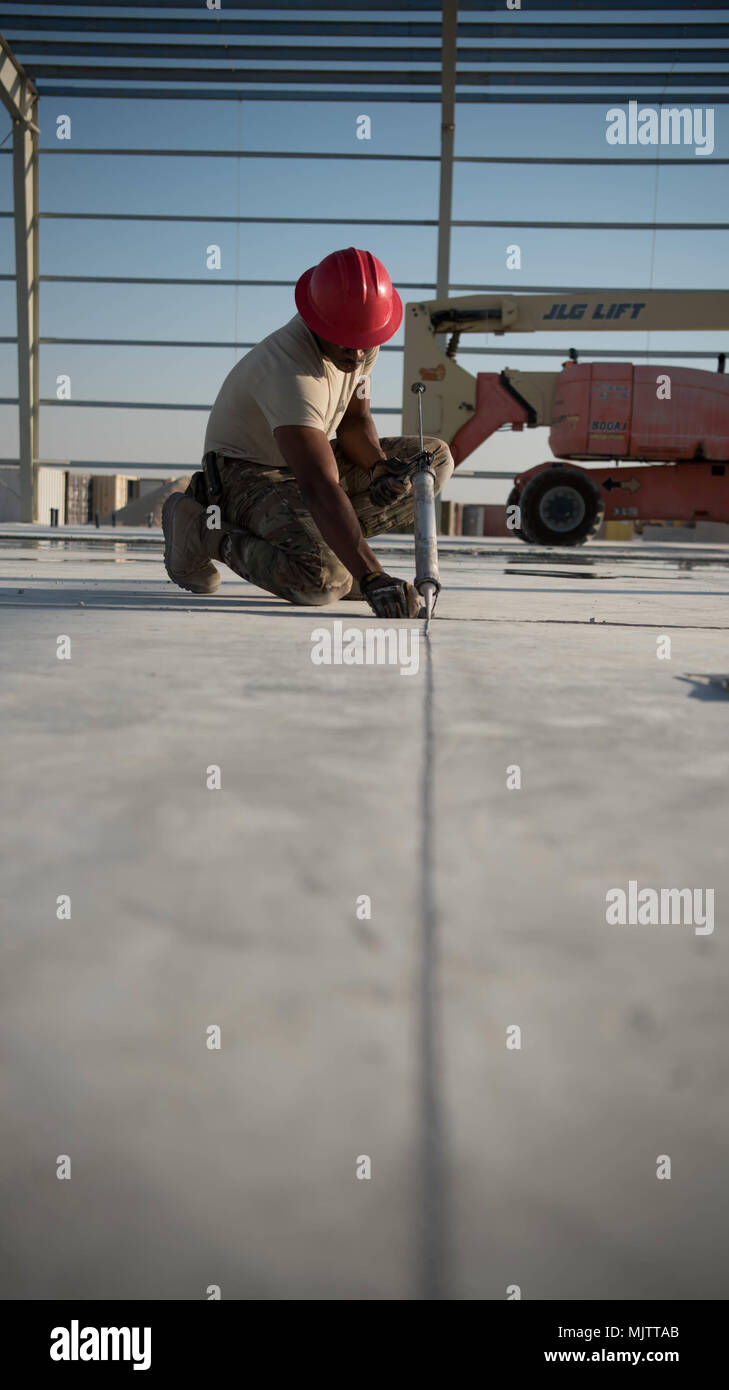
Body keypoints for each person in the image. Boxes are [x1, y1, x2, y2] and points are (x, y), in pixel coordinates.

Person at [162, 247, 453, 618]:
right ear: (318, 323)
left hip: (302, 462)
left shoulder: (361, 343)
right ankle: (203, 531)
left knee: (432, 461)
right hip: (245, 475)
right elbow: (318, 484)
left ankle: (336, 549)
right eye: (348, 343)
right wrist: (372, 576)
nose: (358, 355)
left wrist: (378, 467)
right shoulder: (292, 373)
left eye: (366, 342)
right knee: (323, 581)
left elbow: (354, 420)